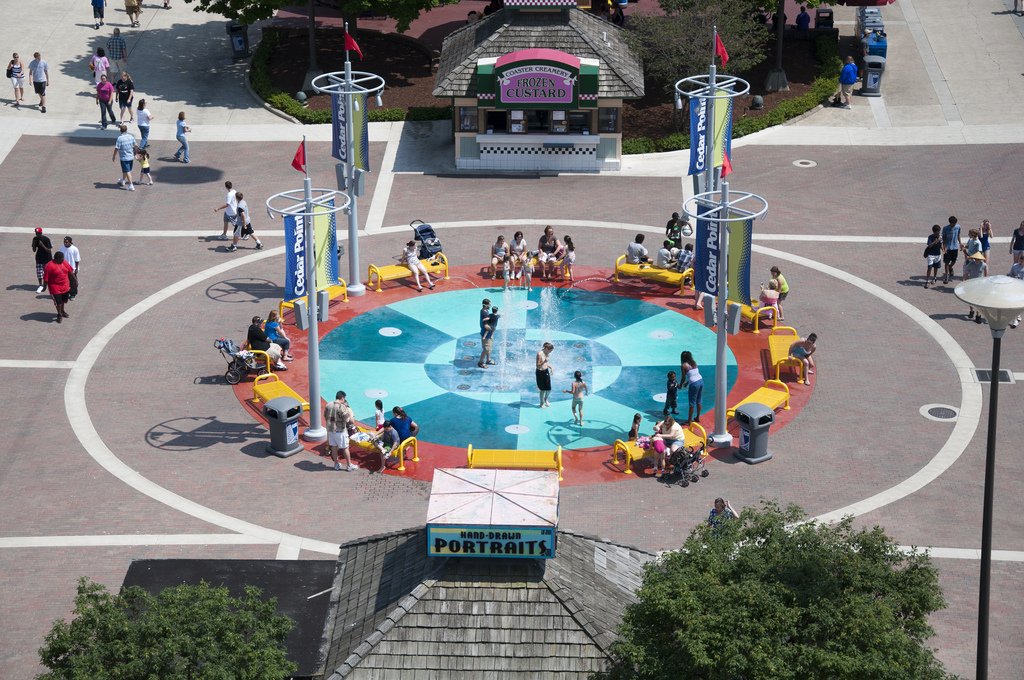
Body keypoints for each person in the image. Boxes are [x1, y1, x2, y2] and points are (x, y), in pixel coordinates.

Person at [324, 391, 358, 471]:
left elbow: (325, 416)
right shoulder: (341, 407)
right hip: (340, 431)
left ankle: (336, 464)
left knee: (334, 448)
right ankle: (349, 465)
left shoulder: (328, 405)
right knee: (345, 448)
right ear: (342, 398)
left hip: (331, 430)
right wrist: (350, 415)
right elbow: (348, 420)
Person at [43, 252, 75, 323]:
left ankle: (62, 311)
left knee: (63, 301)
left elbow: (70, 272)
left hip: (65, 286)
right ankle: (59, 314)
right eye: (61, 258)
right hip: (55, 288)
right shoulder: (49, 266)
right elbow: (46, 279)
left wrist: (75, 281)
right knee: (58, 303)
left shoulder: (64, 262)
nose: (63, 259)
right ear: (56, 259)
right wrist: (44, 287)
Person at [963, 252, 989, 324]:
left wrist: (986, 284)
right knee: (970, 299)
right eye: (976, 259)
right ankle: (971, 311)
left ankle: (978, 316)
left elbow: (986, 275)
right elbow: (966, 273)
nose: (977, 260)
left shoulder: (984, 265)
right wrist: (965, 281)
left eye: (978, 259)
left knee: (978, 301)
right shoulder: (971, 264)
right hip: (971, 284)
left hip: (980, 285)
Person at [680, 350, 704, 425]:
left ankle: (689, 420)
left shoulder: (683, 365)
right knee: (699, 400)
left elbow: (683, 377)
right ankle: (697, 417)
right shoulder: (694, 362)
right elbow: (693, 374)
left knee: (692, 402)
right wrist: (687, 382)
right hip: (700, 381)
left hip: (694, 384)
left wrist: (681, 385)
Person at [111, 124, 136, 191]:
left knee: (127, 171)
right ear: (126, 130)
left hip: (124, 158)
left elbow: (117, 148)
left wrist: (114, 156)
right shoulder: (131, 136)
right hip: (131, 157)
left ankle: (131, 185)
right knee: (126, 170)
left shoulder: (120, 138)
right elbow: (135, 145)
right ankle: (123, 180)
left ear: (120, 130)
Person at [941, 216, 963, 284]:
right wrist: (944, 246)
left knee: (953, 261)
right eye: (952, 224)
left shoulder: (958, 227)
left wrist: (960, 243)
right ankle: (947, 276)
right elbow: (943, 238)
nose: (953, 225)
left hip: (955, 247)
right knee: (946, 262)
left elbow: (958, 234)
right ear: (950, 223)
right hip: (947, 247)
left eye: (954, 223)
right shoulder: (945, 228)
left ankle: (950, 267)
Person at [59, 236, 82, 301]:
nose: (65, 243)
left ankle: (73, 294)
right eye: (64, 242)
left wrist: (76, 269)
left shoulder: (75, 249)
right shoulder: (61, 248)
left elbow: (77, 260)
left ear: (70, 242)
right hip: (63, 269)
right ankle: (66, 293)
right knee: (64, 282)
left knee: (73, 282)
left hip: (72, 269)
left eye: (66, 242)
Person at [32, 227, 53, 293]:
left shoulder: (46, 239)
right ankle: (40, 285)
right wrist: (34, 244)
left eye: (38, 233)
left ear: (41, 232)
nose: (37, 234)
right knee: (39, 273)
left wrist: (42, 245)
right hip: (39, 258)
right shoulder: (35, 239)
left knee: (48, 273)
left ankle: (48, 285)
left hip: (47, 258)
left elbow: (49, 250)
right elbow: (34, 250)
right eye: (36, 233)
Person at [478, 303, 499, 368]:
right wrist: (492, 329)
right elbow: (485, 326)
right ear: (485, 305)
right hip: (486, 336)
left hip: (489, 335)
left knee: (489, 348)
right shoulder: (485, 314)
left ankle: (488, 360)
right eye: (489, 304)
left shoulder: (486, 312)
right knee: (486, 349)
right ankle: (481, 362)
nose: (490, 305)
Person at [536, 342, 555, 408]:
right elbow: (537, 365)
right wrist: (544, 361)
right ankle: (541, 403)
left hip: (546, 371)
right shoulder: (539, 354)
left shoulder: (547, 354)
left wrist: (551, 367)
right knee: (542, 389)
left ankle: (545, 399)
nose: (550, 352)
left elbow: (546, 363)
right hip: (540, 372)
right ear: (546, 348)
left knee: (548, 388)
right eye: (550, 350)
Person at [923, 224, 942, 288]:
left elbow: (941, 245)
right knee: (929, 268)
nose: (939, 232)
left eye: (939, 231)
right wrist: (935, 241)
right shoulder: (930, 237)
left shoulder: (940, 237)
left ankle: (934, 278)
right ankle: (927, 280)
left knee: (936, 267)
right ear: (934, 232)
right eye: (938, 231)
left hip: (938, 255)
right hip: (931, 255)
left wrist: (944, 250)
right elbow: (929, 246)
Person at [1008, 254, 1024, 329]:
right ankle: (1015, 320)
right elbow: (1010, 274)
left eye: (1022, 260)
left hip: (1022, 289)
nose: (1021, 261)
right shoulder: (1015, 266)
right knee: (1014, 303)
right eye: (1021, 259)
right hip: (1014, 287)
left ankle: (1017, 316)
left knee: (1019, 304)